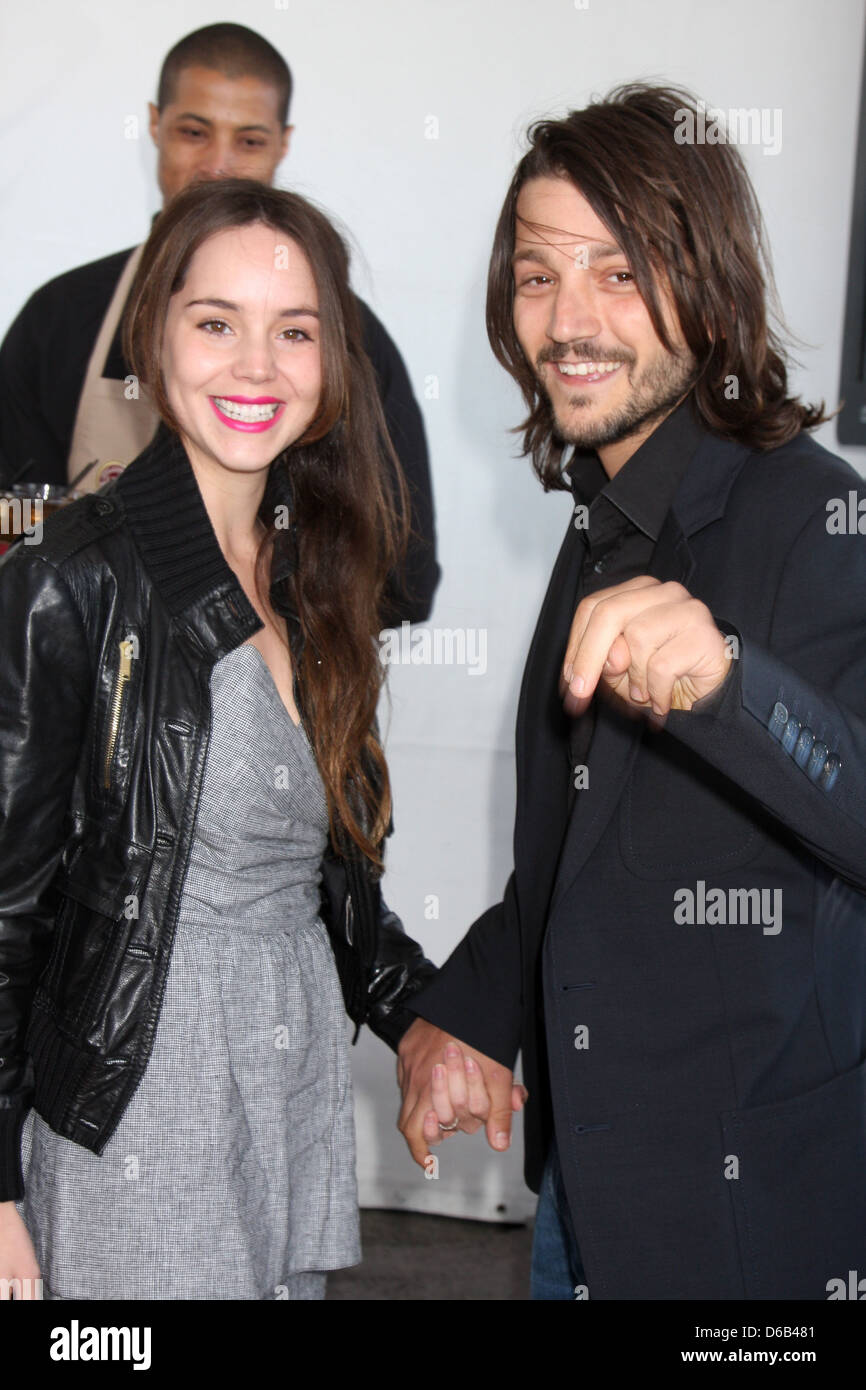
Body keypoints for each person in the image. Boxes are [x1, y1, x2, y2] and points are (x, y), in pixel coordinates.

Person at [396, 83, 866, 1300]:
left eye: (619, 271)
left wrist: (728, 686)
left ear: (704, 284)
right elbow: (575, 856)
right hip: (578, 1202)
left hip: (752, 1222)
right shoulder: (600, 524)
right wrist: (470, 1008)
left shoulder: (815, 518)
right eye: (538, 274)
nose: (568, 318)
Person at [0, 177, 437, 1301]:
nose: (256, 366)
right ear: (154, 338)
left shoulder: (321, 577)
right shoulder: (69, 578)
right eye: (215, 324)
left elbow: (324, 880)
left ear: (332, 357)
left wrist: (436, 1021)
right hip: (138, 1095)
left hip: (287, 1088)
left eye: (293, 331)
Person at [0, 21, 439, 626]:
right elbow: (12, 527)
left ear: (283, 144)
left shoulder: (350, 338)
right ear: (154, 124)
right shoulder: (63, 315)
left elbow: (406, 578)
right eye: (193, 132)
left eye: (249, 141)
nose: (219, 166)